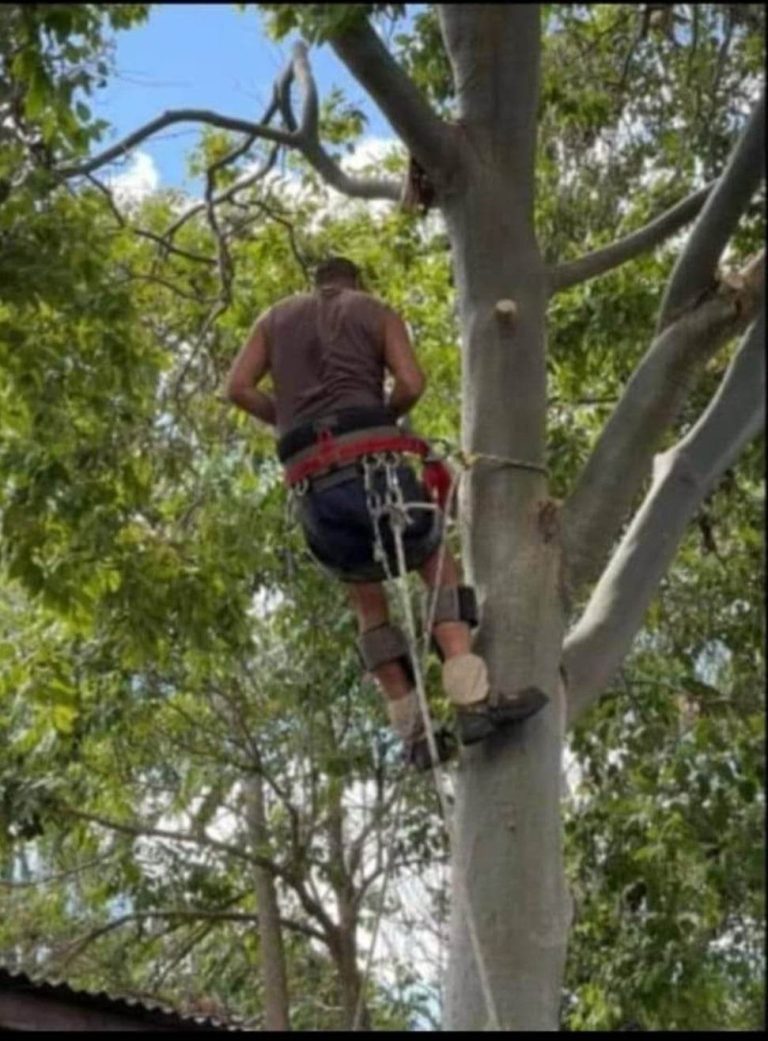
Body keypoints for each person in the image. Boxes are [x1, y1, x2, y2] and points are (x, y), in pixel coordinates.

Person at [225, 256, 546, 769]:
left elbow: (238, 388)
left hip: (314, 486)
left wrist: (289, 422)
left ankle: (413, 732)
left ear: (315, 283)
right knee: (437, 564)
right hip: (374, 468)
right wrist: (378, 418)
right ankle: (471, 699)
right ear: (357, 282)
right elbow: (411, 383)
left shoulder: (274, 318)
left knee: (366, 598)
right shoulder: (373, 310)